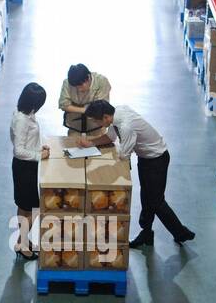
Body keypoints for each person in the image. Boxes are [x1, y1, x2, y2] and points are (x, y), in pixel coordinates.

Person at [80, 100, 194, 248]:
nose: (97, 124)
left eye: (97, 121)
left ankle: (180, 232)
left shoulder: (126, 126)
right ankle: (146, 233)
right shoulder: (118, 112)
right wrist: (91, 143)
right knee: (146, 197)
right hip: (145, 158)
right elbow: (110, 137)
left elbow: (124, 155)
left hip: (157, 160)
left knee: (156, 202)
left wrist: (102, 165)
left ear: (106, 117)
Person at [10, 82, 50, 260]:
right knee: (32, 207)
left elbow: (29, 141)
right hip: (24, 168)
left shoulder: (28, 114)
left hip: (30, 166)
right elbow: (18, 150)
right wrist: (39, 155)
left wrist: (40, 146)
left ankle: (23, 241)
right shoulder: (21, 120)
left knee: (27, 207)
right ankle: (22, 243)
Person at [58, 63, 111, 133]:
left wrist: (74, 107)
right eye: (75, 87)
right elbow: (63, 105)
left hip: (97, 124)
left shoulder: (101, 81)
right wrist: (86, 110)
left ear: (88, 78)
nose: (79, 89)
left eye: (80, 85)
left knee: (98, 141)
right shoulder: (67, 83)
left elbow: (101, 108)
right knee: (73, 142)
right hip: (75, 125)